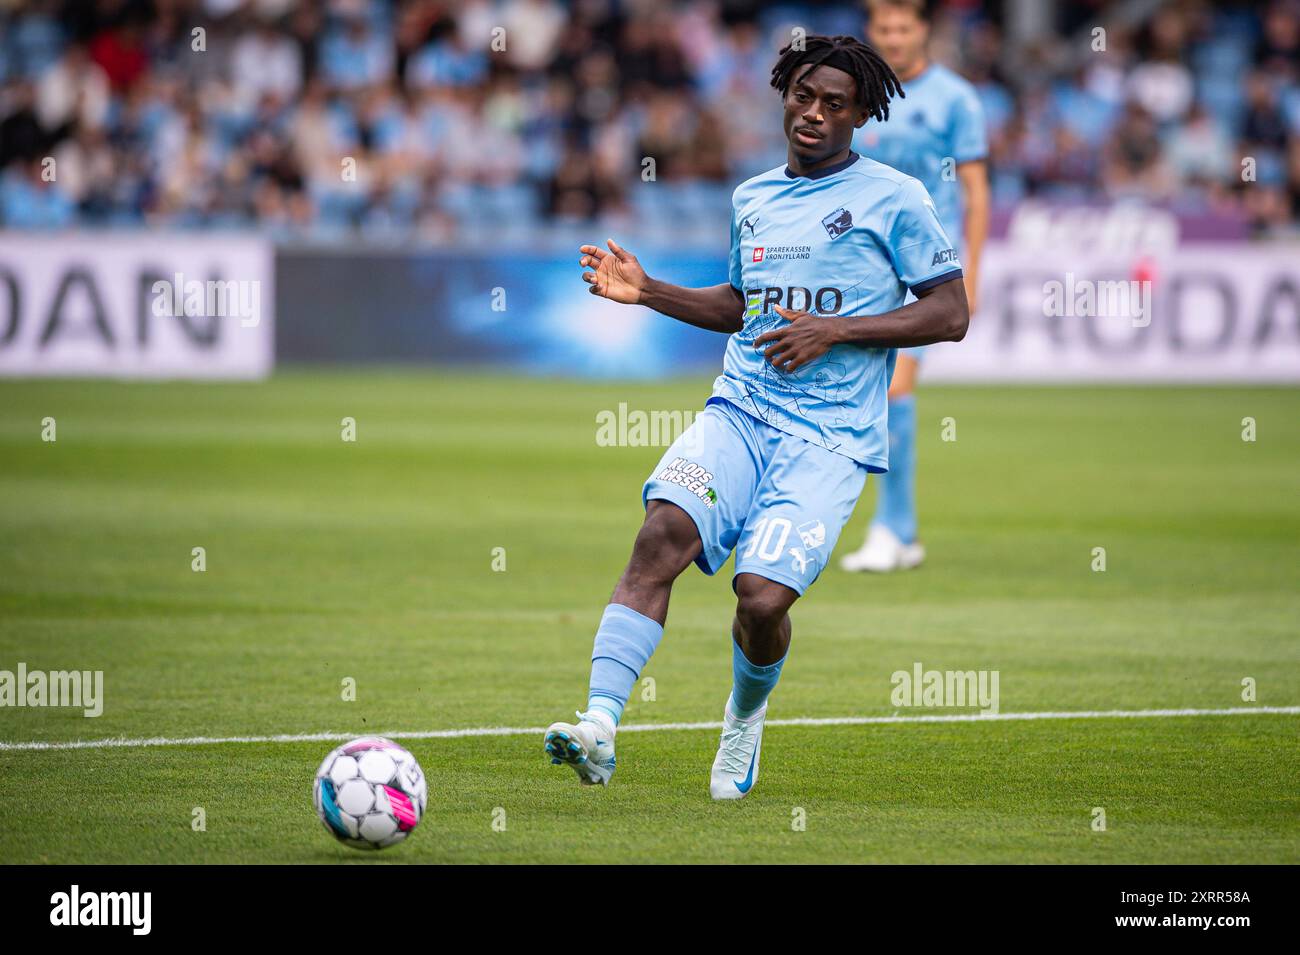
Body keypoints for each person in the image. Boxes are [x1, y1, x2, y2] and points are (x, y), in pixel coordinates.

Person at [544, 35, 968, 800]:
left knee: (761, 599)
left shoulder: (896, 198)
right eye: (802, 97)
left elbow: (951, 311)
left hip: (830, 437)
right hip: (742, 408)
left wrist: (835, 328)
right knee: (659, 536)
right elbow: (741, 306)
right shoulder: (754, 197)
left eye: (833, 103)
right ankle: (599, 726)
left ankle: (745, 712)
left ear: (862, 113)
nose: (812, 113)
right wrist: (649, 291)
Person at [840, 0, 989, 573]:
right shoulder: (858, 91)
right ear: (873, 32)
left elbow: (977, 190)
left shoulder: (955, 99)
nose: (894, 37)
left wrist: (971, 271)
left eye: (904, 28)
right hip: (864, 263)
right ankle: (895, 532)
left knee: (896, 388)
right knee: (871, 392)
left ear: (923, 30)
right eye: (884, 29)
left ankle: (892, 529)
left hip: (928, 265)